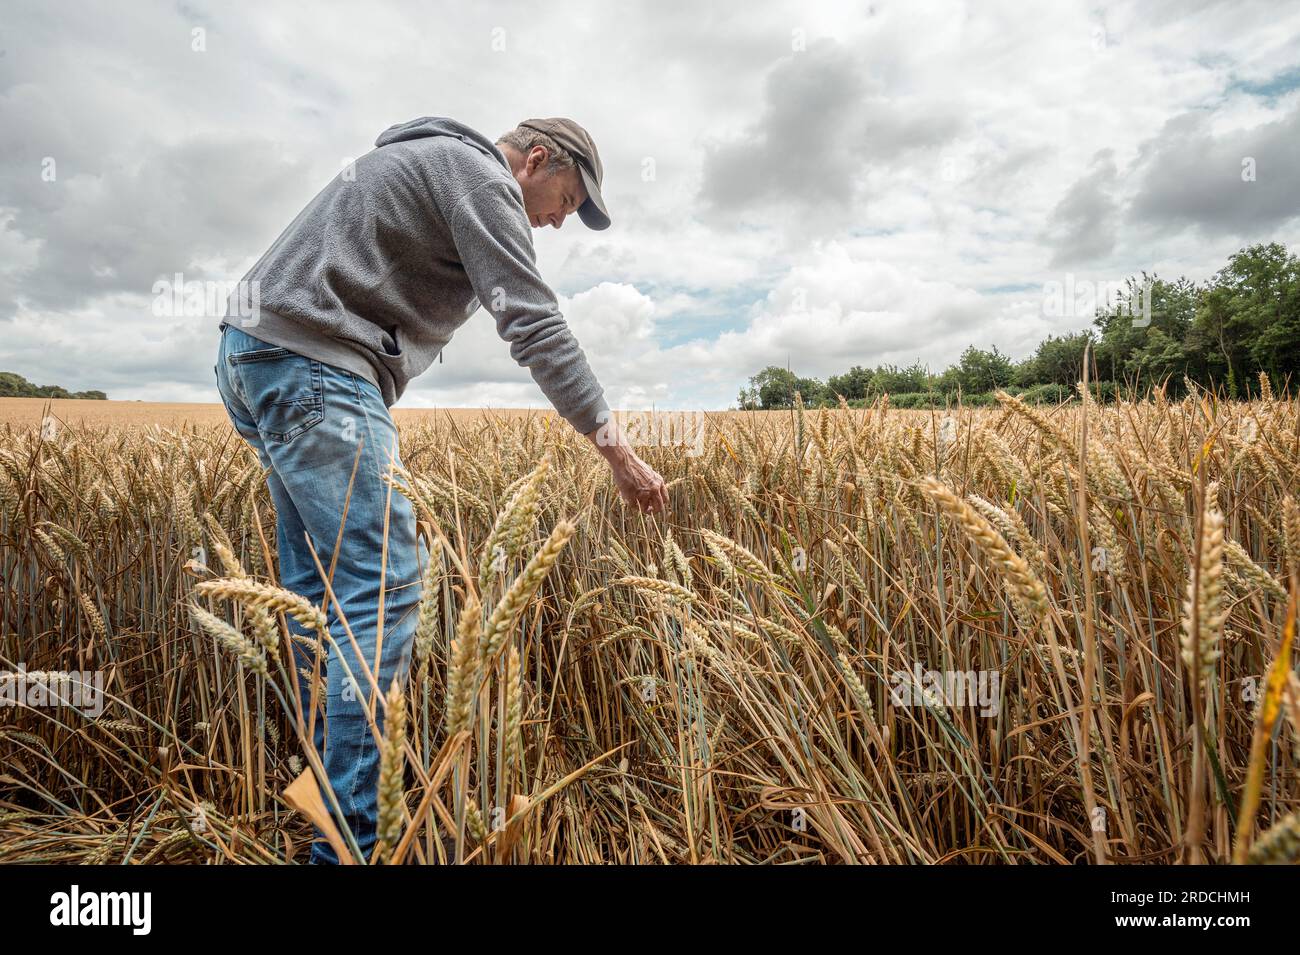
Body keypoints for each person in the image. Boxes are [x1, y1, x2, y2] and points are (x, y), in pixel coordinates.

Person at [212, 115, 667, 864]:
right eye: (567, 199)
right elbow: (532, 320)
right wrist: (613, 447)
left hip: (257, 360)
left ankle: (322, 810)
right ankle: (350, 847)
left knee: (316, 603)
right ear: (537, 159)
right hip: (315, 366)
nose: (558, 220)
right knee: (385, 589)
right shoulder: (480, 176)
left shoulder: (427, 161)